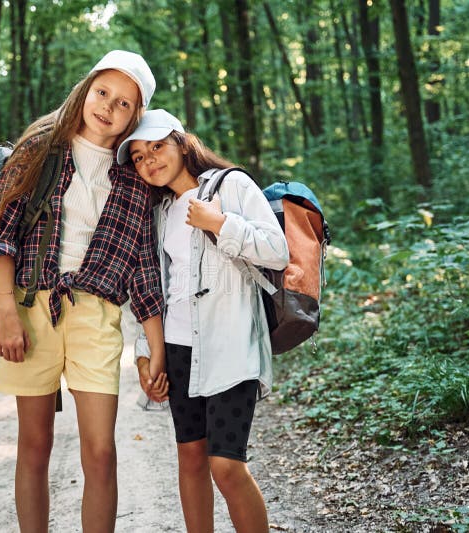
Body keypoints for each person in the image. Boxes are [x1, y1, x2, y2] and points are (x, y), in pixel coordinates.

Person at [0, 50, 167, 533]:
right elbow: (1, 233)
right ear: (86, 90)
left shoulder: (134, 175)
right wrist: (6, 314)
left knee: (101, 452)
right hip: (29, 308)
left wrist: (156, 348)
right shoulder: (40, 149)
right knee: (35, 445)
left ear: (136, 115)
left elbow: (143, 268)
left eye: (123, 103)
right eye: (102, 92)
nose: (108, 107)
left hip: (96, 315)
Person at [118, 109, 289, 533]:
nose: (149, 160)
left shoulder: (231, 185)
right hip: (177, 350)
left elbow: (277, 250)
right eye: (138, 157)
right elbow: (158, 287)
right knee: (191, 458)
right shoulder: (159, 212)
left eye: (157, 146)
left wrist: (220, 223)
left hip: (231, 345)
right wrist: (145, 353)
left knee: (226, 466)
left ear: (181, 142)